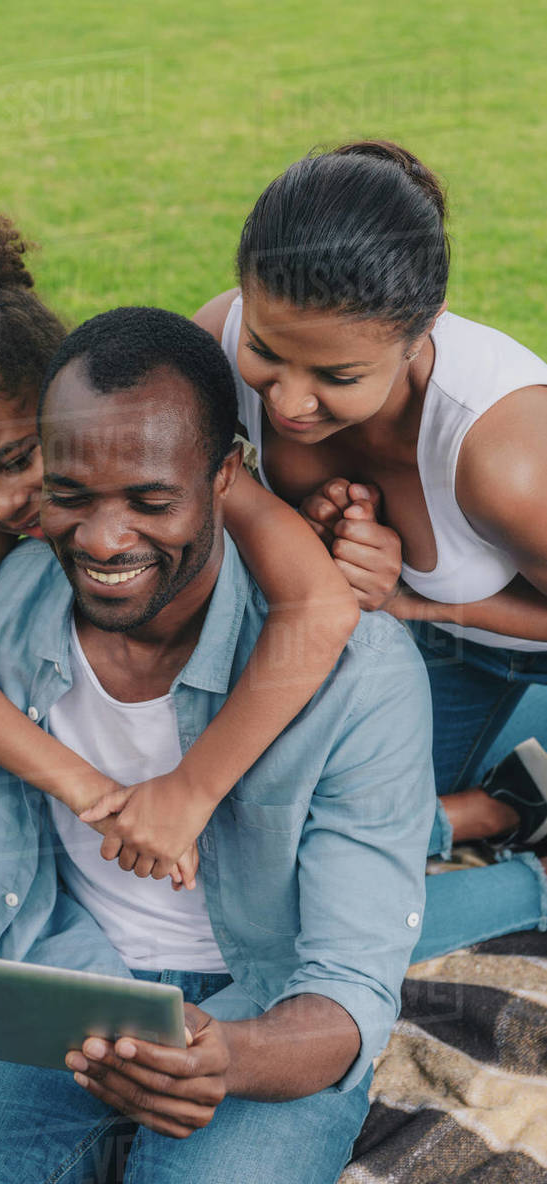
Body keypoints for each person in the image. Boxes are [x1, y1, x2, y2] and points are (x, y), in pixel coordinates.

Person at [0, 306, 435, 1184]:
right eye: (68, 496)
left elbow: (346, 987)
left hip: (265, 1008)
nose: (104, 539)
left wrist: (231, 1056)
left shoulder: (358, 675)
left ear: (225, 475)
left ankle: (513, 867)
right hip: (55, 989)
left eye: (150, 501)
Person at [0, 207, 357, 890]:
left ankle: (463, 821)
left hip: (280, 724)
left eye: (17, 458)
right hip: (131, 797)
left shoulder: (181, 460)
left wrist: (192, 788)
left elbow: (320, 605)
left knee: (322, 837)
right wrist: (88, 791)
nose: (5, 502)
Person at [194, 140, 547, 953]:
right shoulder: (216, 339)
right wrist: (298, 536)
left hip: (496, 637)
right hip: (422, 651)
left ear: (421, 333)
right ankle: (492, 809)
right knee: (265, 852)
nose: (286, 401)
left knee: (320, 911)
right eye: (267, 353)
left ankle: (528, 881)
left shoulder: (505, 457)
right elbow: (158, 486)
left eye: (335, 378)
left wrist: (410, 597)